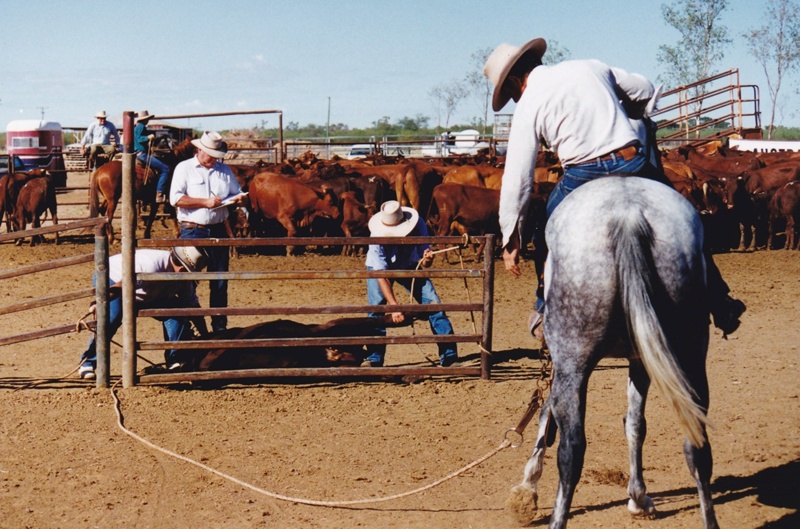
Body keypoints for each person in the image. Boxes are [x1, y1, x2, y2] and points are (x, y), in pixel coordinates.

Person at [482, 37, 745, 340]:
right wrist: (626, 106)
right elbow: (645, 89)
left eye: (511, 92)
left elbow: (518, 176)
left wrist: (511, 235)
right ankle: (719, 301)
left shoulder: (529, 103)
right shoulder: (590, 67)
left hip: (582, 174)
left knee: (545, 231)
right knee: (685, 218)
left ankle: (544, 306)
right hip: (633, 163)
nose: (516, 98)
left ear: (516, 79)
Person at [78, 246, 209, 379]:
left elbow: (192, 305)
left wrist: (207, 336)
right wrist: (100, 301)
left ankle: (174, 360)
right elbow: (122, 285)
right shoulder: (151, 266)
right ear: (182, 269)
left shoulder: (183, 281)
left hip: (146, 292)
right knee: (112, 317)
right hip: (113, 278)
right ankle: (88, 362)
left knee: (177, 314)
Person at [362, 200, 458, 367]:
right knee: (376, 309)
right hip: (379, 268)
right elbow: (381, 275)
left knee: (433, 303)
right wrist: (394, 306)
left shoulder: (418, 224)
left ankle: (449, 355)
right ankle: (374, 358)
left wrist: (428, 258)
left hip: (410, 264)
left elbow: (425, 260)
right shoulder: (376, 238)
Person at [169, 130, 246, 333]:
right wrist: (205, 202)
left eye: (216, 155)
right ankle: (187, 326)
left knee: (219, 281)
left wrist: (238, 199)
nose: (213, 159)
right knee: (188, 282)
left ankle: (219, 328)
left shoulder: (224, 170)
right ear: (199, 149)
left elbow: (236, 192)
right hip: (193, 230)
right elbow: (175, 199)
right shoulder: (184, 168)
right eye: (209, 154)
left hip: (218, 229)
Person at [133, 110, 172, 203]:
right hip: (142, 154)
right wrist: (148, 137)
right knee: (166, 169)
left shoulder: (137, 127)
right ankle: (159, 192)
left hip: (138, 153)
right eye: (147, 119)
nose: (148, 120)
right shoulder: (141, 126)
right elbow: (139, 139)